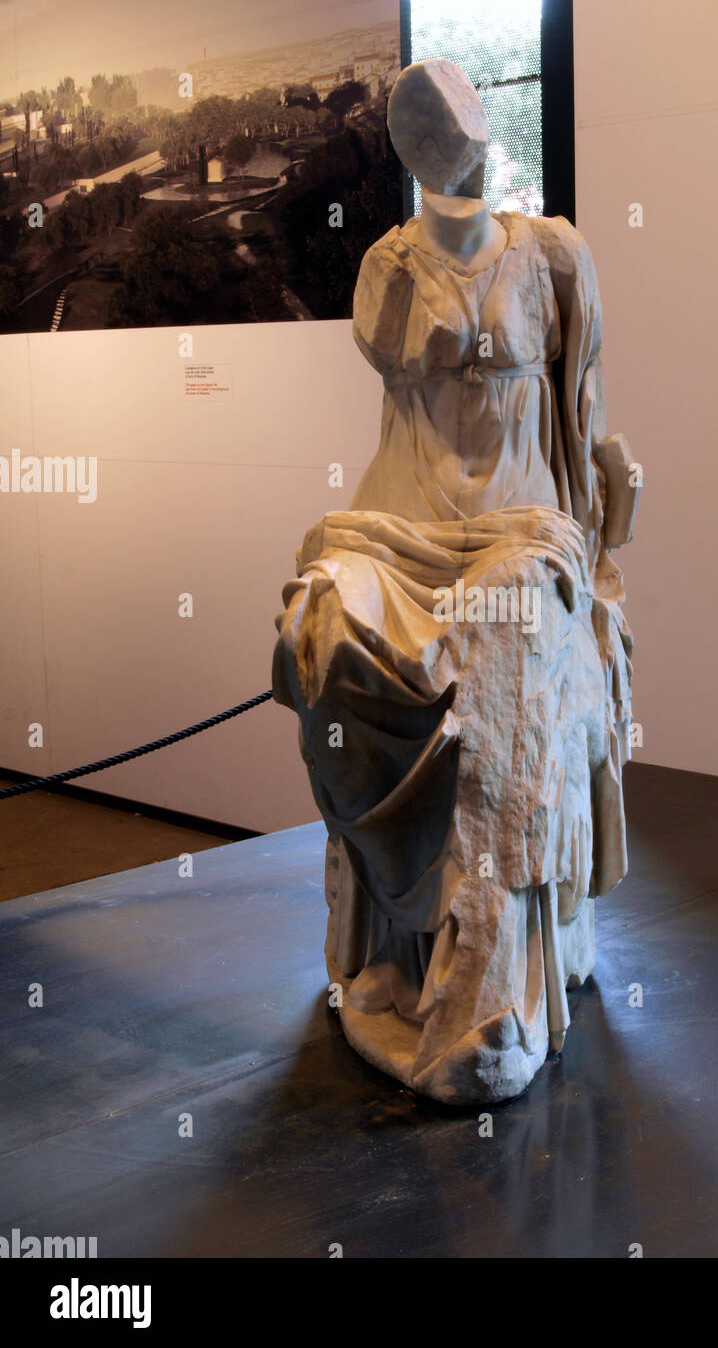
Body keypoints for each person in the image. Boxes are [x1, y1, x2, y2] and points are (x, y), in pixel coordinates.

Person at [273, 59, 639, 1104]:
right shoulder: (388, 266)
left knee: (508, 630)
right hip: (402, 525)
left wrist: (612, 512)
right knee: (327, 619)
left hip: (525, 525)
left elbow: (586, 424)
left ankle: (491, 980)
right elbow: (401, 420)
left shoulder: (555, 256)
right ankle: (387, 950)